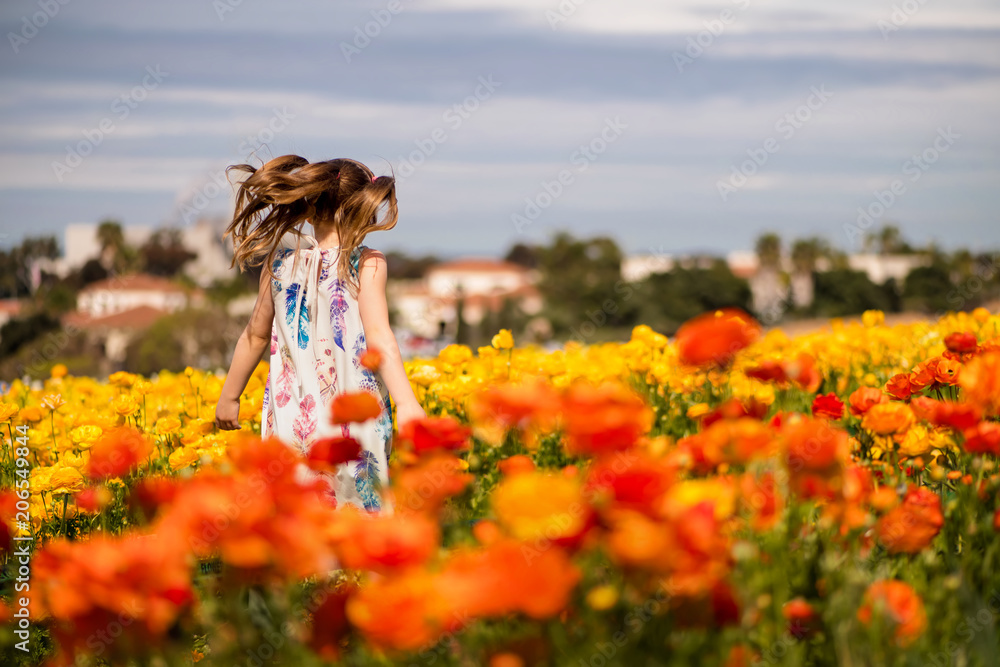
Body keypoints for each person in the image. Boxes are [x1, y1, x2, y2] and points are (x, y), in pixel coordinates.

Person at [213, 155, 424, 512]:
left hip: (294, 416)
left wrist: (230, 397)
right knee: (363, 520)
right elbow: (380, 336)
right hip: (354, 418)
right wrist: (406, 402)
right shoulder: (368, 262)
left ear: (308, 208)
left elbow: (254, 336)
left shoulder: (279, 264)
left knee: (299, 520)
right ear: (364, 209)